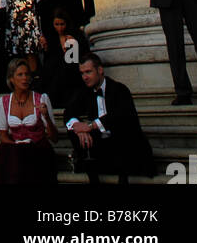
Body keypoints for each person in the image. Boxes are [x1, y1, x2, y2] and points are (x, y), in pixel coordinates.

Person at [64, 53, 154, 183]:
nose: (85, 77)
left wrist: (90, 126)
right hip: (102, 147)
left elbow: (121, 117)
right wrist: (80, 130)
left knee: (122, 134)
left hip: (125, 145)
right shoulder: (85, 91)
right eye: (82, 73)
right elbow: (68, 111)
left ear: (100, 70)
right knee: (74, 130)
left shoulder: (120, 89)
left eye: (88, 72)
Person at [0, 57, 58, 185]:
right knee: (7, 153)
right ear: (11, 79)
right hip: (15, 150)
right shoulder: (3, 102)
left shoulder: (41, 99)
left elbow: (54, 138)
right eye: (20, 74)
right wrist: (17, 146)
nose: (25, 78)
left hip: (37, 148)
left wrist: (46, 117)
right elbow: (3, 136)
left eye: (27, 74)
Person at [41, 10, 89, 107]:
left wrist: (75, 44)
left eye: (62, 24)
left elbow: (82, 55)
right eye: (56, 24)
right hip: (56, 72)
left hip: (72, 69)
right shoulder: (51, 38)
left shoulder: (75, 35)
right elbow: (49, 59)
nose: (59, 28)